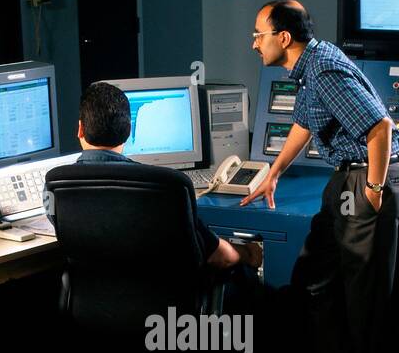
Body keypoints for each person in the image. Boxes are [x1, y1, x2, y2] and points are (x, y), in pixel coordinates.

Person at [240, 0, 399, 353]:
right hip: (345, 182)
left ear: (283, 38)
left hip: (364, 181)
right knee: (313, 277)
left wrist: (373, 188)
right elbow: (305, 121)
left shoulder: (324, 71)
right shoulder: (312, 64)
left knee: (362, 299)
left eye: (259, 35)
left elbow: (380, 128)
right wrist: (273, 172)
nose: (254, 44)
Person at [69, 81, 263, 273]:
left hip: (92, 302)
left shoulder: (58, 185)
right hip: (159, 301)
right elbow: (218, 256)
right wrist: (248, 253)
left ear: (80, 130)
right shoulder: (166, 187)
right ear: (129, 132)